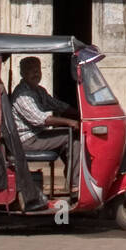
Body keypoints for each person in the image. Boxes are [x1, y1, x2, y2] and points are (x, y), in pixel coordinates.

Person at [10, 56, 80, 191]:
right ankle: (75, 184)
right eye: (31, 70)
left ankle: (73, 177)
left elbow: (57, 105)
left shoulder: (38, 90)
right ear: (22, 73)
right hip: (27, 141)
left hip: (36, 136)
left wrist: (80, 113)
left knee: (70, 135)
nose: (36, 73)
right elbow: (41, 119)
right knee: (72, 138)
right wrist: (70, 122)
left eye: (38, 70)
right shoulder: (23, 95)